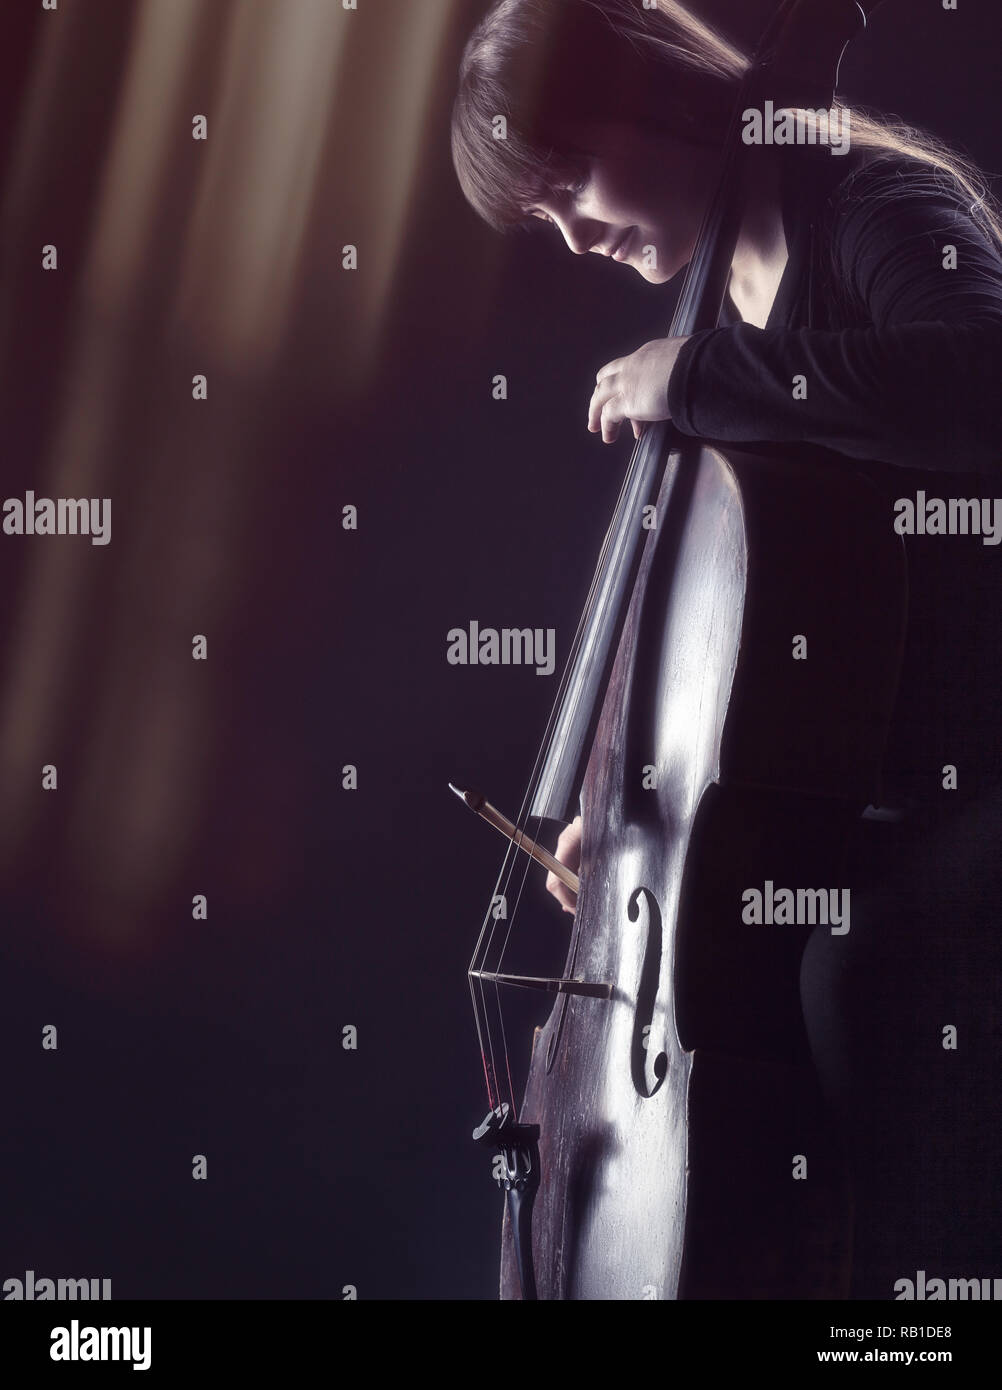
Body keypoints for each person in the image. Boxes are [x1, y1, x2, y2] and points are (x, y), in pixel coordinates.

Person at [452, 0, 1002, 1297]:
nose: (574, 231)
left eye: (567, 177)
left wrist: (697, 379)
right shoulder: (725, 297)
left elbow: (982, 381)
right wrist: (636, 816)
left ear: (651, 96)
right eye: (542, 215)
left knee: (856, 969)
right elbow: (751, 661)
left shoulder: (869, 205)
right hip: (885, 779)